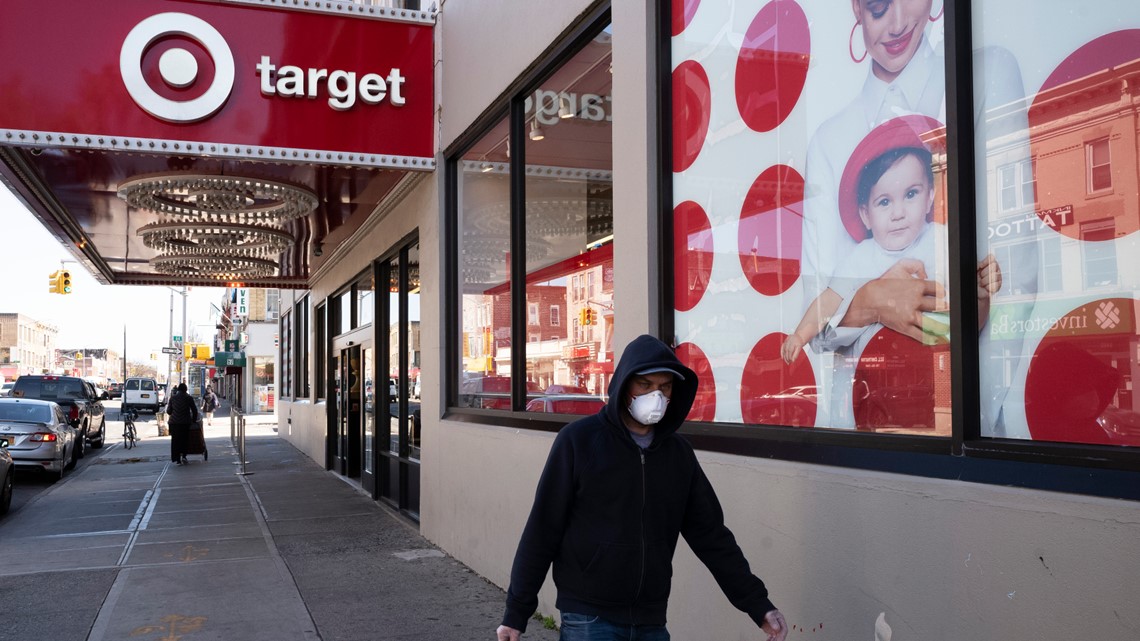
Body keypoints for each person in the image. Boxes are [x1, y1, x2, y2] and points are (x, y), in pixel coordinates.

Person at [800, 0, 1036, 432]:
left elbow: (1015, 276)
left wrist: (960, 422)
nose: (896, 24)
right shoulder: (829, 142)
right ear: (855, 7)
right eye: (876, 7)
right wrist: (872, 300)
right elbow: (817, 326)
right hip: (859, 427)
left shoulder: (986, 78)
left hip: (960, 428)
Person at [496, 334, 787, 641]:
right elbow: (543, 528)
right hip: (589, 616)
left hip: (651, 619)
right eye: (645, 385)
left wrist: (758, 606)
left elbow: (712, 537)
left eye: (665, 387)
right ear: (624, 386)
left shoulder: (678, 455)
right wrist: (516, 613)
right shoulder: (579, 442)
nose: (656, 395)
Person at [783, 140, 1002, 365]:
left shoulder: (942, 240)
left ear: (929, 198)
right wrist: (800, 335)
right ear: (866, 215)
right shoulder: (860, 259)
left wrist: (980, 295)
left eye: (910, 194)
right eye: (884, 201)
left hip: (940, 364)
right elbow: (827, 302)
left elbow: (969, 323)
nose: (898, 213)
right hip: (881, 370)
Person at [166, 382, 199, 465]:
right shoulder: (188, 398)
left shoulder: (173, 398)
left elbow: (169, 411)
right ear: (185, 390)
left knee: (175, 440)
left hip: (174, 423)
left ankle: (177, 458)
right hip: (185, 423)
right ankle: (184, 456)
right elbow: (194, 410)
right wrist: (194, 420)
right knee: (184, 440)